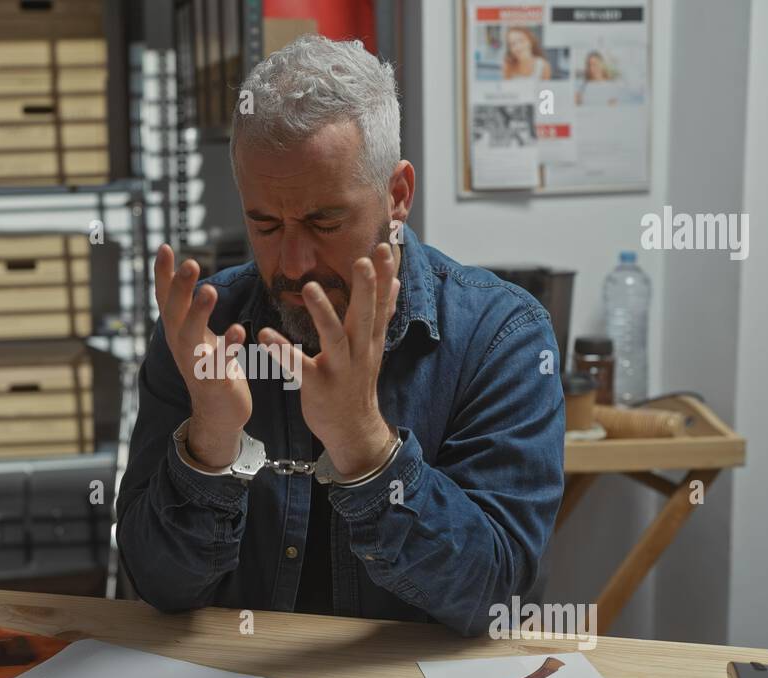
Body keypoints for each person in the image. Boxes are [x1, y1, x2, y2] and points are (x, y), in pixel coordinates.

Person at [116, 35, 564, 636]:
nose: (294, 262)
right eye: (265, 223)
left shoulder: (501, 336)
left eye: (325, 221)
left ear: (397, 196)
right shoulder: (204, 328)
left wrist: (364, 446)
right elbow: (156, 586)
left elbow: (490, 597)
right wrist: (210, 442)